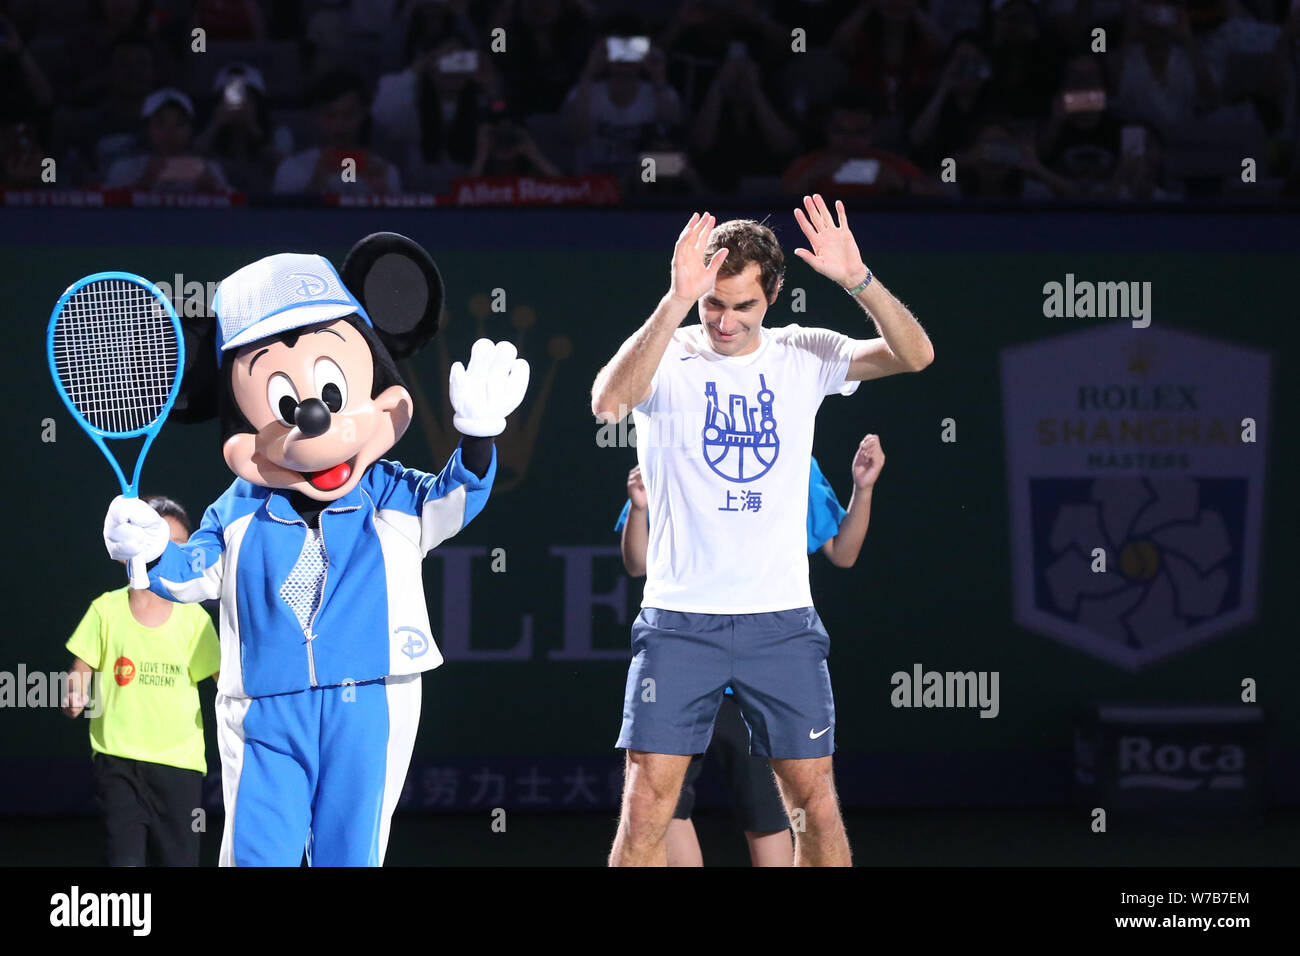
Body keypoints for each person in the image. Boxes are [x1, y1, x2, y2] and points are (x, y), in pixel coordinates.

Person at [591, 199, 934, 867]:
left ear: (772, 295)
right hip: (678, 623)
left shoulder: (805, 352)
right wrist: (675, 299)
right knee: (646, 807)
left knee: (815, 807)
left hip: (782, 625)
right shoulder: (669, 353)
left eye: (743, 306)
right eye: (713, 304)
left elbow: (915, 355)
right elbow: (609, 402)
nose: (724, 321)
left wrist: (859, 280)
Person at [616, 433, 886, 866]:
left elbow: (843, 552)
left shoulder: (792, 459)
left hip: (761, 679)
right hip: (684, 665)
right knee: (657, 809)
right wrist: (639, 508)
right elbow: (636, 563)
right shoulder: (678, 453)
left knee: (772, 815)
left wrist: (863, 489)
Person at [61, 495, 220, 867]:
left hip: (180, 768)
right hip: (117, 763)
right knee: (124, 860)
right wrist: (74, 694)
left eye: (177, 545)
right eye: (157, 542)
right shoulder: (105, 609)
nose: (166, 553)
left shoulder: (195, 619)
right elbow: (79, 674)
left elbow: (225, 682)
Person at [103, 87, 230, 193]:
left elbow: (230, 207)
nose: (170, 132)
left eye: (179, 123)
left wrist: (212, 190)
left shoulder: (209, 169)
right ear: (146, 128)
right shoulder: (124, 170)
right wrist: (142, 184)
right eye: (160, 123)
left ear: (191, 129)